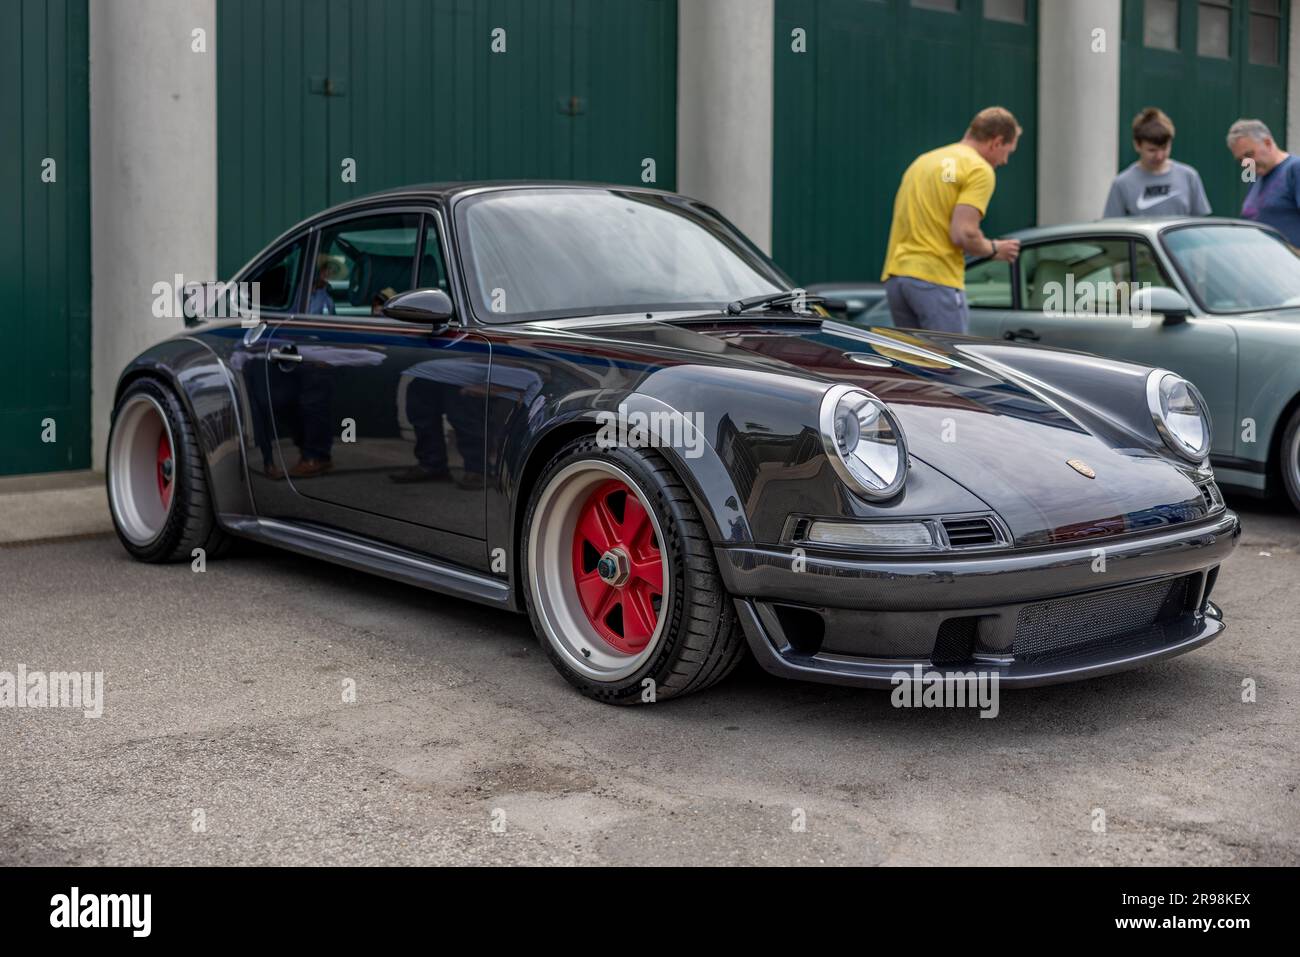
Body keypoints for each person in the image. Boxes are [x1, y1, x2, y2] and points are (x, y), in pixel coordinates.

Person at [881, 106, 1022, 334]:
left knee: (914, 365)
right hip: (935, 278)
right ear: (996, 142)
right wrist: (994, 249)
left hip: (897, 278)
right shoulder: (978, 169)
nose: (1005, 160)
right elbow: (963, 233)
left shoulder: (923, 162)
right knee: (950, 365)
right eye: (1008, 151)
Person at [1104, 108, 1211, 218]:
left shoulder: (1189, 176)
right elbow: (1111, 227)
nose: (1159, 156)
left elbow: (1199, 224)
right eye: (1152, 150)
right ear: (1137, 145)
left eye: (1164, 148)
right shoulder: (1122, 183)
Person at [1227, 118, 1300, 247]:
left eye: (1249, 154)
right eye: (1240, 160)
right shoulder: (1256, 178)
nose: (1246, 164)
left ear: (1268, 143)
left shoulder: (1294, 169)